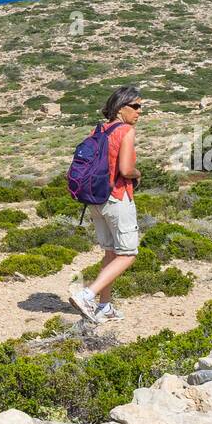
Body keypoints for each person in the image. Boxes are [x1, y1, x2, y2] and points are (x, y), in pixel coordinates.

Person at [70, 85, 143, 323]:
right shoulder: (125, 131)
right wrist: (137, 173)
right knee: (128, 253)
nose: (139, 111)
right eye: (135, 106)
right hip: (118, 197)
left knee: (110, 253)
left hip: (96, 199)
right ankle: (87, 294)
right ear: (121, 108)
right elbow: (125, 169)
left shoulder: (99, 129)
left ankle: (105, 306)